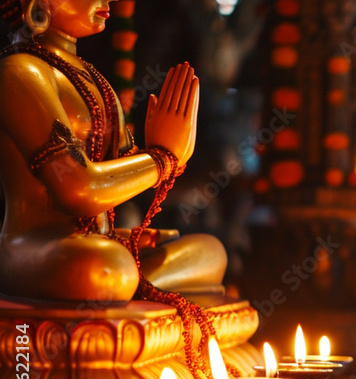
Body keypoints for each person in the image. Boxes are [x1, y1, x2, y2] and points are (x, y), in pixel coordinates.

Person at [0, 0, 225, 302]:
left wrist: (160, 147)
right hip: (36, 248)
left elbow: (118, 172)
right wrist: (162, 158)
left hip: (97, 245)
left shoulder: (90, 77)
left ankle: (133, 283)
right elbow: (78, 188)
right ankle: (132, 282)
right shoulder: (20, 71)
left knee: (209, 252)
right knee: (104, 267)